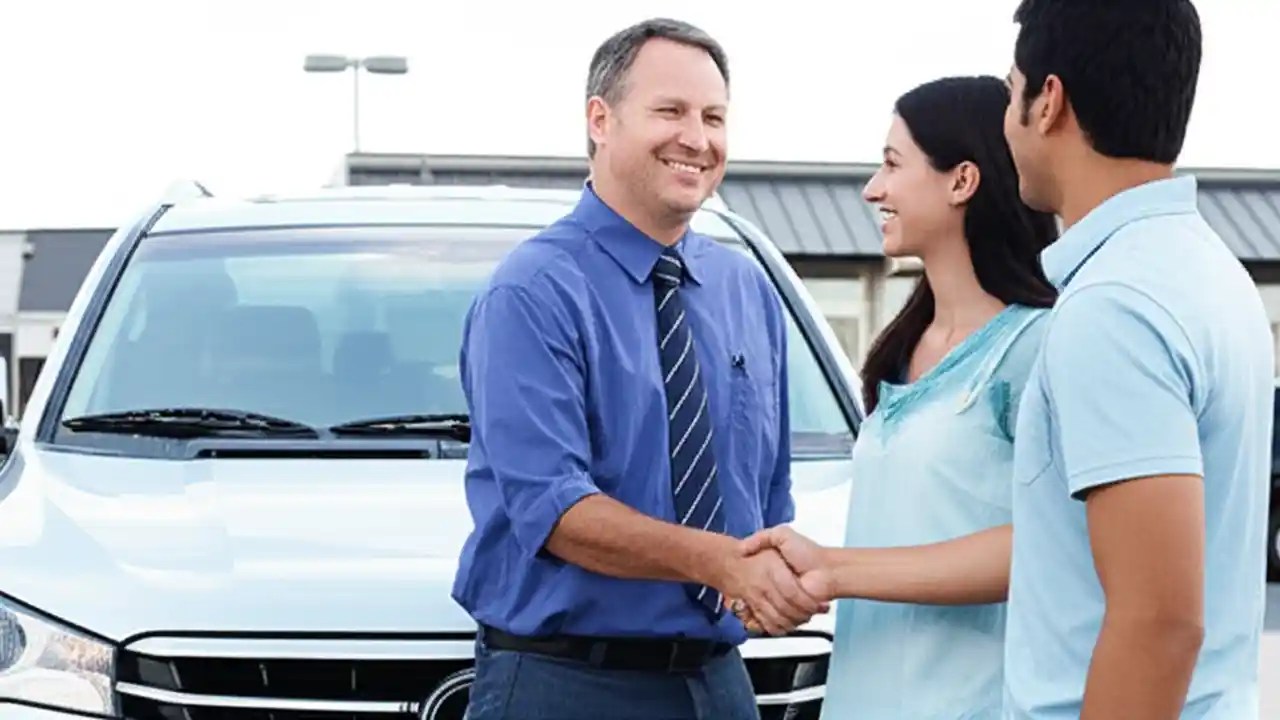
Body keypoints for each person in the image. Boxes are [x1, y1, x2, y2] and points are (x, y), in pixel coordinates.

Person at [452, 17, 824, 720]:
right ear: (600, 118)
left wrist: (773, 577)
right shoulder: (531, 291)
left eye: (714, 117)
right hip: (566, 685)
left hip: (721, 684)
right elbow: (554, 510)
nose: (698, 137)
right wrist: (717, 561)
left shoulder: (747, 289)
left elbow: (769, 492)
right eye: (671, 111)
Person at [737, 75, 1059, 719]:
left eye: (892, 164)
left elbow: (1052, 543)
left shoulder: (1039, 346)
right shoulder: (902, 348)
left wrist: (835, 570)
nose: (872, 189)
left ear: (961, 181)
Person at [997, 1, 1270, 717]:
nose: (1006, 117)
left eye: (1009, 91)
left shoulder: (1115, 305)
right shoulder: (1208, 270)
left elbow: (1159, 623)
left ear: (1047, 102)